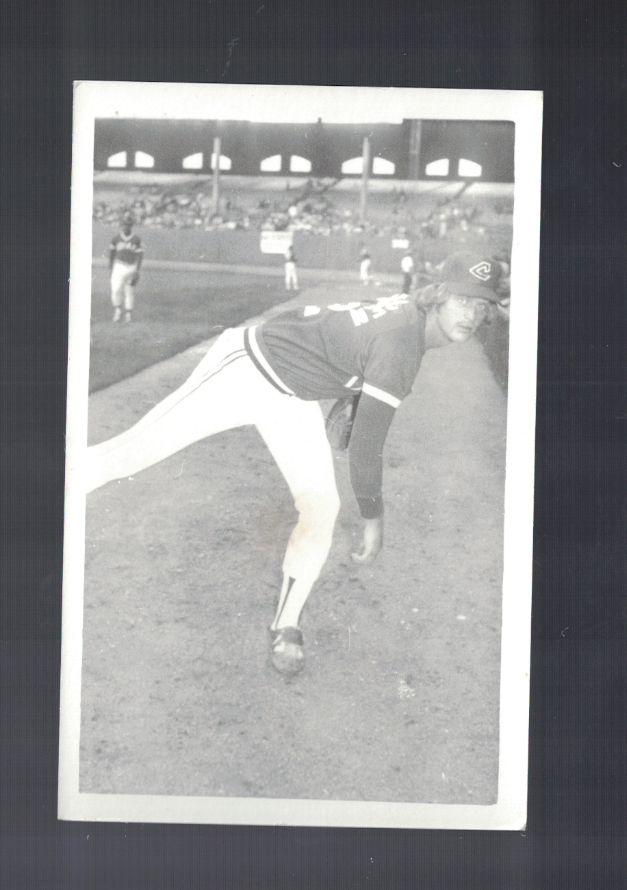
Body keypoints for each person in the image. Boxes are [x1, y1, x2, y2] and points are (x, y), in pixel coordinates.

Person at [86, 251, 502, 677]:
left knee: (322, 506)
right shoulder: (402, 343)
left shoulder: (411, 312)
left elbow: (347, 341)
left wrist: (351, 383)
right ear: (439, 297)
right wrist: (374, 520)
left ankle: (286, 623)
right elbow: (365, 448)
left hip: (293, 395)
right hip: (247, 367)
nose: (472, 313)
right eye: (463, 300)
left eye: (482, 304)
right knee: (132, 453)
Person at [109, 211, 143, 322]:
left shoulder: (136, 239)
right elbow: (112, 253)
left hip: (131, 267)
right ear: (121, 225)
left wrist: (137, 270)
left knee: (129, 291)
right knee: (116, 289)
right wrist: (110, 267)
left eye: (128, 225)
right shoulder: (115, 238)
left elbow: (140, 255)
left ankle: (128, 314)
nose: (126, 227)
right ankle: (118, 309)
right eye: (124, 224)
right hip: (118, 266)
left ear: (131, 226)